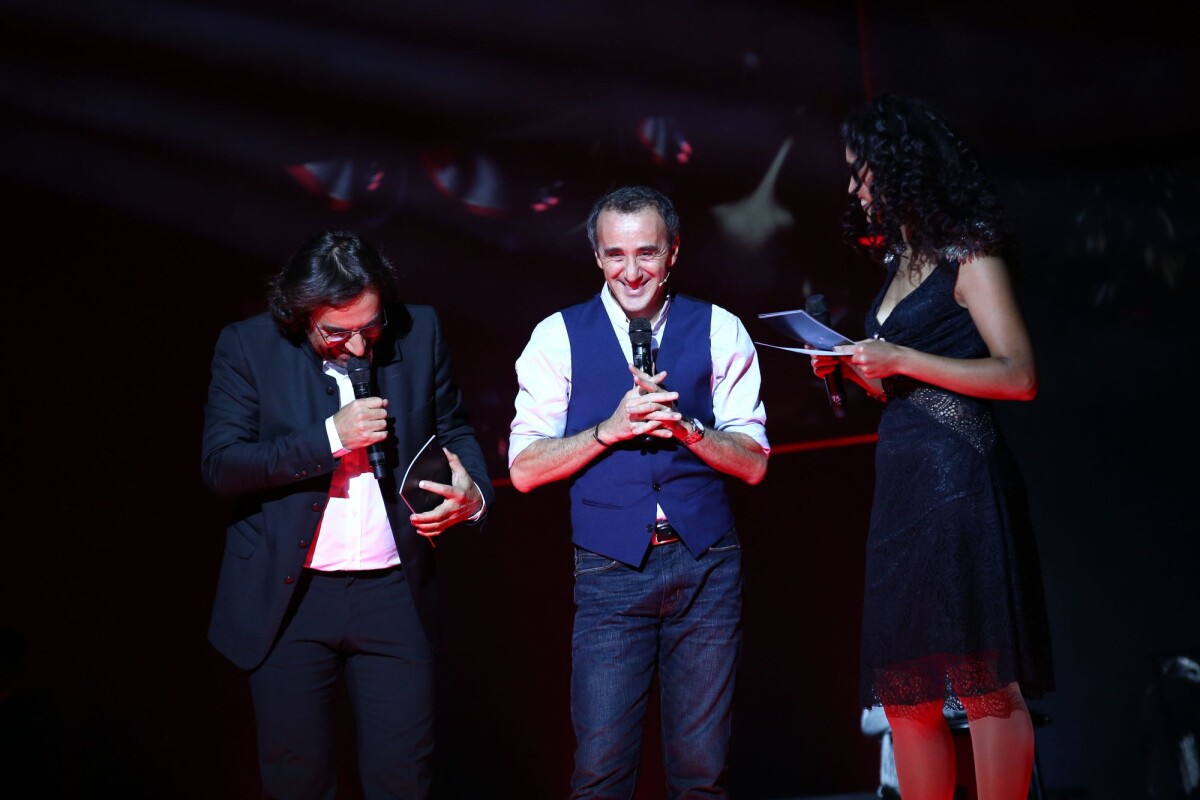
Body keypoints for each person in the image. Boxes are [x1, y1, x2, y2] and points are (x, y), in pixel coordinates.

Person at [810, 94, 1054, 799]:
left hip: (962, 484)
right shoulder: (900, 263)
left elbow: (1019, 374)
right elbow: (904, 382)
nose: (855, 187)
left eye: (863, 172)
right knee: (906, 692)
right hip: (904, 490)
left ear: (901, 168)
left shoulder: (966, 252)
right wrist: (855, 370)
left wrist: (900, 361)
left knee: (984, 687)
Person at [201, 229, 494, 799]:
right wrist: (330, 437)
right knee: (298, 780)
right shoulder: (248, 347)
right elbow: (222, 465)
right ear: (298, 311)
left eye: (371, 329)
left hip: (394, 592)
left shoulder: (421, 328)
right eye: (337, 333)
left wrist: (473, 492)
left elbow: (454, 426)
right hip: (292, 598)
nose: (359, 348)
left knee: (405, 779)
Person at [507, 184, 769, 799]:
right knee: (600, 773)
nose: (631, 272)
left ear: (673, 251)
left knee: (702, 776)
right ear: (597, 257)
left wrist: (688, 429)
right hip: (609, 570)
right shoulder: (557, 337)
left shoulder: (719, 328)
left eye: (646, 253)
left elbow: (754, 464)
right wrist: (608, 431)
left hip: (706, 565)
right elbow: (523, 469)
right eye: (615, 255)